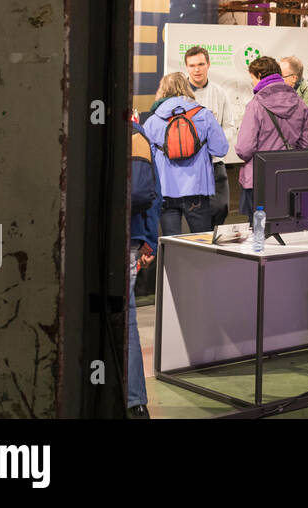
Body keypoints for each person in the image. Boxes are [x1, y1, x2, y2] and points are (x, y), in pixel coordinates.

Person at [141, 73, 227, 236]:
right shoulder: (203, 115)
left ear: (162, 91)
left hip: (165, 190)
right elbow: (220, 149)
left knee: (172, 242)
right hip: (197, 189)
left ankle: (173, 263)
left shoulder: (153, 120)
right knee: (202, 241)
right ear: (187, 88)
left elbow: (148, 157)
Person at [236, 56, 308, 219]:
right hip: (289, 177)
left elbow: (244, 148)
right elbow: (304, 145)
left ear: (260, 76)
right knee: (286, 227)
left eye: (252, 78)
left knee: (258, 232)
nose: (253, 83)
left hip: (259, 179)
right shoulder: (300, 103)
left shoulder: (255, 105)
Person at [127, 119, 162, 419]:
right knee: (126, 320)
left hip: (79, 240)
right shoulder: (137, 134)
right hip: (129, 236)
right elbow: (153, 194)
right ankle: (135, 403)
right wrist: (149, 240)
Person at [182, 46, 235, 228]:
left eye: (201, 64)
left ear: (208, 65)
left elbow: (229, 127)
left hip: (214, 163)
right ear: (187, 68)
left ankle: (212, 241)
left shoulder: (220, 93)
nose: (197, 69)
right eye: (192, 65)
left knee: (222, 207)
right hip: (188, 166)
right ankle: (200, 248)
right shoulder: (180, 95)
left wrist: (214, 143)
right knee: (196, 215)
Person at [280, 56, 308, 149]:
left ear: (294, 78)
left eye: (281, 76)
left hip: (306, 153)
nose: (278, 79)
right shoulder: (285, 95)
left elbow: (296, 126)